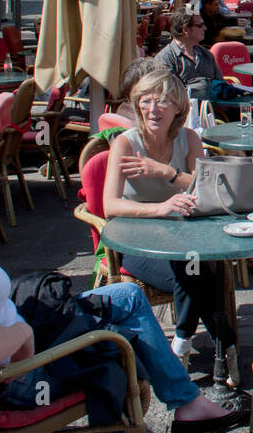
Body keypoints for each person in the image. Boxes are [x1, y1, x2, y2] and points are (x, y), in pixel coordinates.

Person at [0, 131, 244, 433]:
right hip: (14, 383)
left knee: (126, 294)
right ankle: (175, 407)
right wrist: (18, 330)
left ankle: (186, 402)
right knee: (117, 341)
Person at [103, 71, 244, 392]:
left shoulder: (189, 139)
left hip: (183, 239)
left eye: (162, 101)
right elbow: (110, 205)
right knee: (198, 275)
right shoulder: (125, 143)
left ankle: (182, 347)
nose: (153, 109)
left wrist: (165, 172)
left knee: (191, 268)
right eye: (146, 100)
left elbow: (208, 190)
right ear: (137, 105)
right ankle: (228, 348)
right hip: (138, 243)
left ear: (178, 107)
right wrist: (159, 208)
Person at [154, 9, 222, 97]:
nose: (205, 28)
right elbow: (171, 94)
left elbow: (220, 83)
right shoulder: (165, 58)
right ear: (185, 30)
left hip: (214, 107)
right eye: (200, 25)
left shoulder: (206, 54)